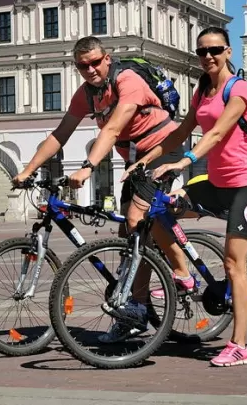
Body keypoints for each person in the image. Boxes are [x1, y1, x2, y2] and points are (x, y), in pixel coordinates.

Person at [11, 35, 192, 342]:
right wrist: (27, 170)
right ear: (77, 67)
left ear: (107, 58)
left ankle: (183, 276)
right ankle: (137, 309)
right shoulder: (87, 95)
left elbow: (111, 129)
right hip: (135, 160)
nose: (91, 69)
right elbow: (60, 134)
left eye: (96, 62)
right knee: (130, 236)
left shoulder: (129, 80)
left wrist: (89, 166)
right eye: (84, 66)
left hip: (164, 148)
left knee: (136, 220)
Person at [131, 26, 247, 367]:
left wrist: (185, 160)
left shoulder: (239, 88)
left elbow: (217, 132)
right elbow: (183, 131)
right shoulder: (202, 89)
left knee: (235, 266)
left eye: (215, 49)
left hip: (243, 186)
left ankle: (240, 346)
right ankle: (184, 274)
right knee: (158, 213)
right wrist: (145, 158)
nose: (208, 56)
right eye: (202, 51)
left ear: (228, 51)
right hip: (214, 182)